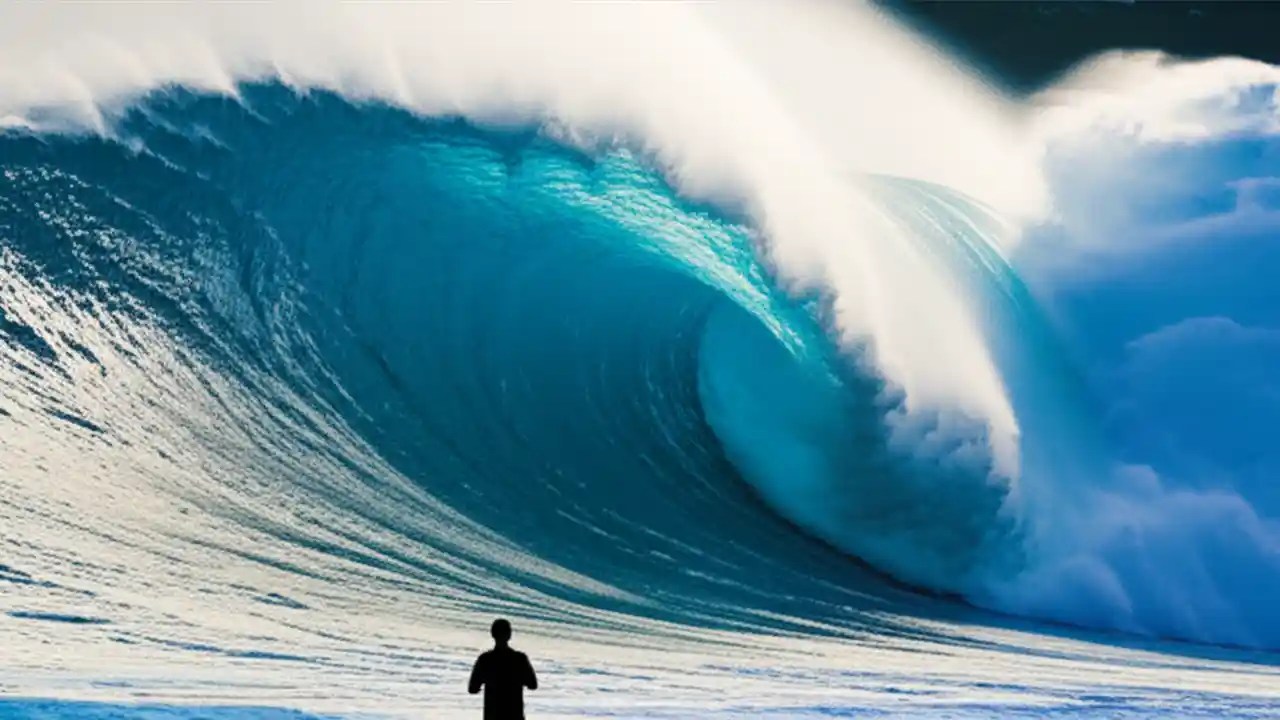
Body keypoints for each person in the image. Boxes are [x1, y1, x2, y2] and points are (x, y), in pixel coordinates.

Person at [468, 618, 538, 719]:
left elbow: (472, 689)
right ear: (509, 635)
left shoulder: (485, 660)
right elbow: (533, 685)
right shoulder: (519, 659)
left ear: (492, 634)